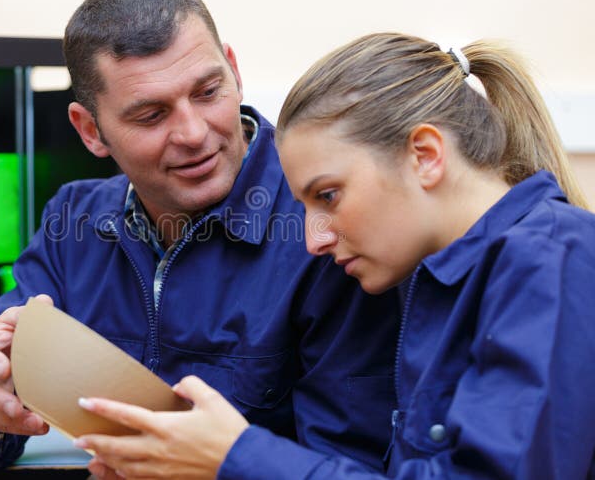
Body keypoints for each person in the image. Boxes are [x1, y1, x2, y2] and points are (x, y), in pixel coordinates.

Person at [0, 0, 401, 478]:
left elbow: (354, 462)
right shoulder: (73, 223)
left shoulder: (329, 227)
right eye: (151, 115)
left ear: (233, 70)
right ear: (90, 130)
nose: (193, 133)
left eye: (208, 92)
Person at [74, 33, 595, 479]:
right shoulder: (428, 281)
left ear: (426, 156)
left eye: (327, 196)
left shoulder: (553, 261)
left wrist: (236, 456)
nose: (313, 240)